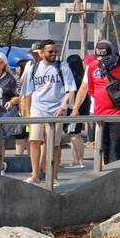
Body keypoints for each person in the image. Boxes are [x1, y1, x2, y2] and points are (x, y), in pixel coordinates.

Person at [72, 40, 120, 167]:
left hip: (119, 114)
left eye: (106, 57)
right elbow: (91, 89)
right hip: (100, 113)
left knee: (115, 147)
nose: (103, 60)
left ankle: (115, 175)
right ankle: (107, 172)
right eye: (99, 57)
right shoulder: (93, 66)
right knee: (103, 147)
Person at [19, 40, 76, 184]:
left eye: (55, 51)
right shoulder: (34, 68)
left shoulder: (62, 67)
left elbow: (70, 90)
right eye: (50, 52)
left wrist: (63, 107)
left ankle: (53, 176)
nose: (53, 54)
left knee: (54, 145)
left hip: (55, 111)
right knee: (34, 141)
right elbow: (27, 93)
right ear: (42, 53)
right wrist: (26, 113)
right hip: (37, 110)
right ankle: (35, 175)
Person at [63, 53, 88, 167]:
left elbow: (71, 94)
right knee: (74, 134)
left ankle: (79, 160)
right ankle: (76, 159)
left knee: (74, 134)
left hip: (74, 109)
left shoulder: (72, 79)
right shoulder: (82, 78)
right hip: (81, 108)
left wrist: (73, 108)